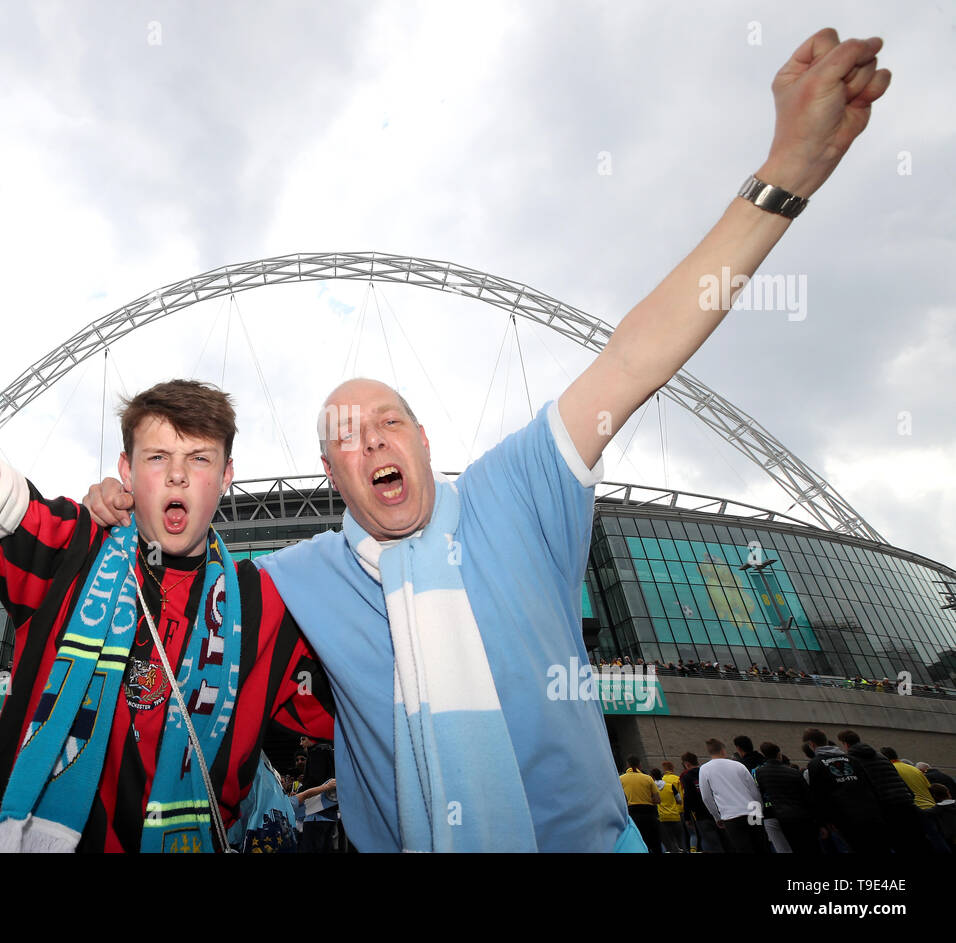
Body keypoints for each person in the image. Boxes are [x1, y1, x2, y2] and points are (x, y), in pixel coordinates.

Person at [86, 28, 891, 851]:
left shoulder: (517, 493)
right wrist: (123, 510)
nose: (371, 443)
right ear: (333, 475)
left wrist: (786, 172)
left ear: (425, 440)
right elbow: (179, 596)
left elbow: (636, 357)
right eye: (348, 440)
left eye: (387, 422)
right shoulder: (299, 576)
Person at [0, 149, 335, 855]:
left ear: (226, 476)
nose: (176, 476)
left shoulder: (269, 609)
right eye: (158, 458)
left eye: (198, 459)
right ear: (125, 469)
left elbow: (345, 726)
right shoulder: (71, 552)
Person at [836, 730, 929, 854]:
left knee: (897, 844)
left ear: (845, 744)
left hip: (885, 808)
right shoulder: (881, 756)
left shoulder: (851, 760)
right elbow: (897, 778)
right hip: (905, 803)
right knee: (917, 842)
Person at [801, 728, 889, 853]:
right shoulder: (851, 759)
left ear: (811, 744)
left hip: (845, 817)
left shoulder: (815, 764)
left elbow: (819, 795)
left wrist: (824, 821)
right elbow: (869, 784)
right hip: (870, 811)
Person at [698, 739, 767, 853]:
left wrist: (717, 817)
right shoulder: (738, 765)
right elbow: (754, 790)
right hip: (752, 811)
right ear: (723, 750)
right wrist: (759, 810)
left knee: (743, 848)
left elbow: (706, 797)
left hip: (731, 816)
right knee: (761, 846)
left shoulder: (705, 769)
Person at [753, 741, 818, 855]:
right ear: (779, 754)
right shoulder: (793, 772)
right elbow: (808, 796)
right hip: (802, 815)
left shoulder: (760, 773)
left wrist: (756, 819)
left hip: (781, 815)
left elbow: (758, 794)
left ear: (764, 755)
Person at [620, 758, 661, 853]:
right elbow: (657, 799)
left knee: (637, 844)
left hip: (632, 815)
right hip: (649, 814)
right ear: (639, 766)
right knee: (655, 844)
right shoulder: (648, 778)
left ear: (627, 766)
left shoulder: (621, 779)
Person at [656, 761, 686, 853]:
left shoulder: (657, 783)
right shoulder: (677, 779)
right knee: (682, 837)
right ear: (672, 768)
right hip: (677, 812)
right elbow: (681, 795)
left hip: (662, 816)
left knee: (669, 840)